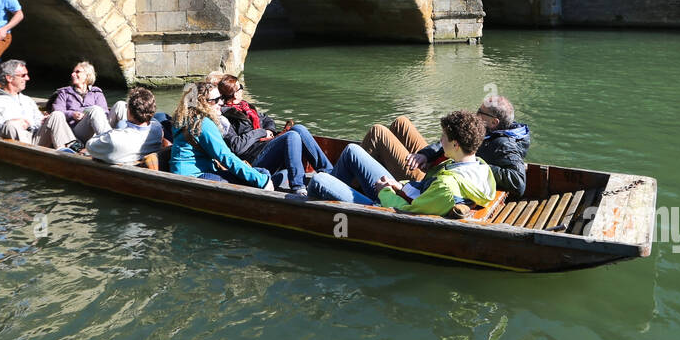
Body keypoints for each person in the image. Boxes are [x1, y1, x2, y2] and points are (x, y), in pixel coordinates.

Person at [309, 110, 496, 217]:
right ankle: (337, 192)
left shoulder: (446, 187)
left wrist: (384, 191)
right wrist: (398, 185)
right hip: (402, 194)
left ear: (456, 144)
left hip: (384, 208)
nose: (440, 140)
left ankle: (311, 213)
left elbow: (408, 210)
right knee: (352, 151)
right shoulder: (482, 168)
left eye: (443, 137)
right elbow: (422, 195)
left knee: (319, 180)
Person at [361, 94, 531, 199]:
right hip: (442, 164)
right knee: (401, 123)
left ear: (494, 122)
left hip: (433, 182)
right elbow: (452, 142)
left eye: (480, 112)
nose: (475, 114)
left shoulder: (504, 144)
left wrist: (475, 165)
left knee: (378, 133)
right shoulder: (491, 132)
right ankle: (369, 169)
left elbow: (518, 183)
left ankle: (355, 183)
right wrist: (427, 155)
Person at [216, 75, 333, 196]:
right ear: (235, 94)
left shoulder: (245, 106)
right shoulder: (225, 117)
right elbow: (237, 146)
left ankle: (329, 173)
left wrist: (268, 129)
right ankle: (298, 187)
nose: (242, 89)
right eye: (240, 87)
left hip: (266, 145)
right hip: (254, 158)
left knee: (299, 129)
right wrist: (261, 132)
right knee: (291, 136)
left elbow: (267, 119)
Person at [169, 82, 271, 189]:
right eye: (216, 100)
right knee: (262, 174)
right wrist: (262, 181)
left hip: (182, 174)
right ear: (202, 102)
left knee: (259, 173)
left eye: (221, 98)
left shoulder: (184, 118)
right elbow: (225, 156)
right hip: (193, 178)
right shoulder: (203, 124)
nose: (221, 102)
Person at [0, 59, 77, 149]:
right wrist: (11, 123)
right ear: (9, 78)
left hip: (35, 141)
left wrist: (42, 121)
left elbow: (37, 122)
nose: (28, 78)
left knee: (57, 115)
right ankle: (29, 155)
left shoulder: (27, 100)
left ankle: (68, 150)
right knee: (11, 125)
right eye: (23, 75)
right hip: (15, 146)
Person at [86, 87, 166, 166]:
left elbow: (89, 145)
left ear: (129, 112)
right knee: (120, 107)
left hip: (117, 158)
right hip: (134, 158)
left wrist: (113, 132)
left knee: (95, 111)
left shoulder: (113, 139)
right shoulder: (157, 129)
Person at [47, 61, 113, 146]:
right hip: (74, 132)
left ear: (87, 75)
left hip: (95, 130)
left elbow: (105, 113)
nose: (73, 74)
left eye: (77, 72)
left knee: (114, 106)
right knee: (95, 109)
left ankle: (111, 141)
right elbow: (57, 112)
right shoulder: (64, 93)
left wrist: (87, 115)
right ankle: (110, 144)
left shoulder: (97, 93)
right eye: (73, 72)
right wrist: (72, 114)